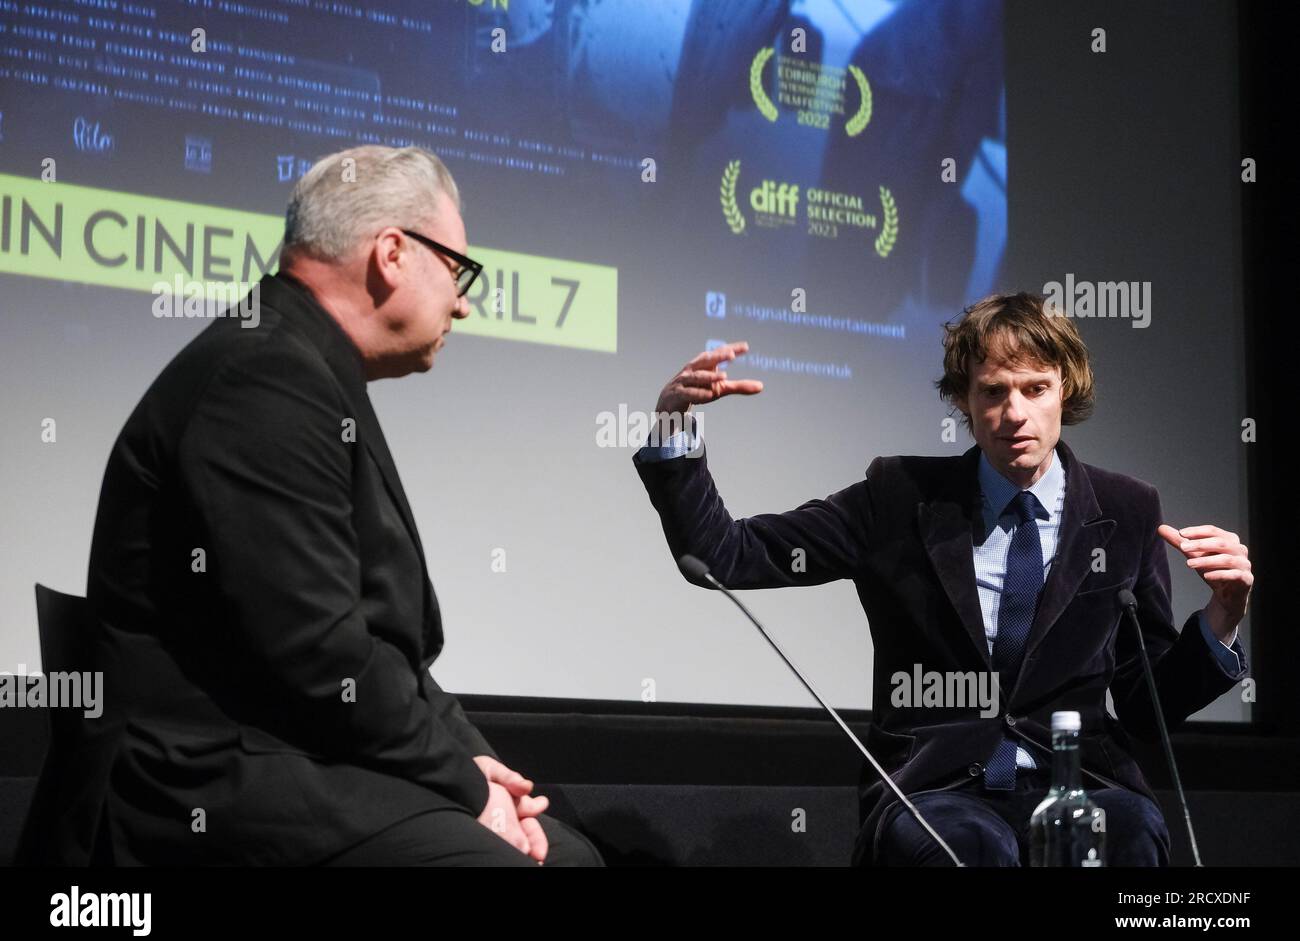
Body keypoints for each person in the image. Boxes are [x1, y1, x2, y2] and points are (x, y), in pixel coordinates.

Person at [24, 145, 602, 867]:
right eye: (458, 270)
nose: (463, 301)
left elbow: (387, 654)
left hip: (295, 751)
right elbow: (317, 651)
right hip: (209, 780)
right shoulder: (262, 373)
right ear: (392, 253)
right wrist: (463, 785)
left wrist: (484, 772)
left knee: (568, 846)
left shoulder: (298, 364)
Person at [633, 292, 1251, 866]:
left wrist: (1221, 617)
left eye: (1036, 389)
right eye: (993, 392)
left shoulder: (1128, 510)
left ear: (1066, 388)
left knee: (1128, 834)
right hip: (939, 789)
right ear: (962, 398)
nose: (1015, 414)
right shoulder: (899, 497)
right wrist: (671, 428)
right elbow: (726, 554)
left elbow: (1147, 709)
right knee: (968, 844)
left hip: (1081, 779)